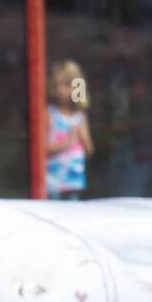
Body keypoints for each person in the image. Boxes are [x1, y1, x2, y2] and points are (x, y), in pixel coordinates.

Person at [46, 58, 94, 200]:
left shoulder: (79, 116)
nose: (61, 91)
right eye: (56, 85)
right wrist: (67, 142)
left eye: (66, 85)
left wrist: (83, 138)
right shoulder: (49, 113)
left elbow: (89, 151)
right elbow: (42, 150)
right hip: (53, 184)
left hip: (74, 183)